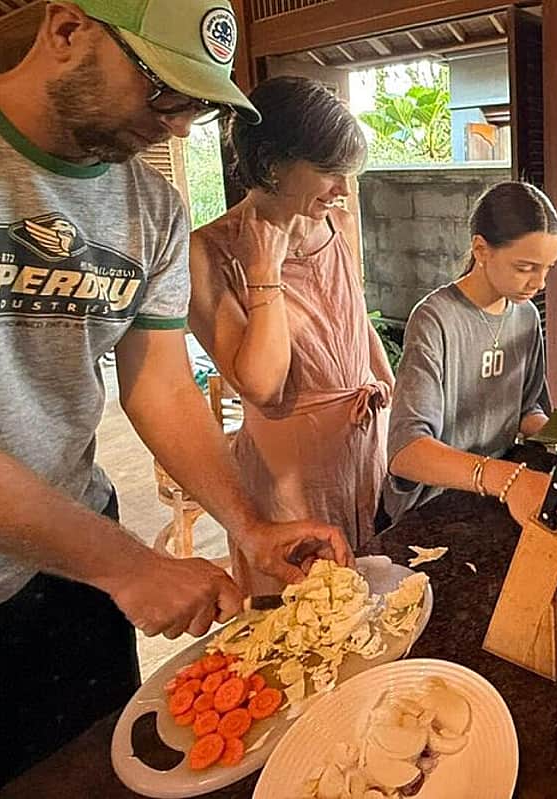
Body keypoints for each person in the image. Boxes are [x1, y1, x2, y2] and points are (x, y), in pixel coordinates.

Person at [0, 2, 349, 794]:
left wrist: (249, 525)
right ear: (66, 30)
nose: (177, 127)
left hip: (71, 565)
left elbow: (162, 384)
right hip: (36, 570)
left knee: (95, 774)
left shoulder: (150, 209)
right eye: (163, 92)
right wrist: (127, 563)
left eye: (197, 107)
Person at [189, 76, 393, 594]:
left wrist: (386, 381)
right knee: (310, 608)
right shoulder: (207, 252)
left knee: (380, 596)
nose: (343, 188)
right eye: (329, 171)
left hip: (364, 448)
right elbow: (263, 385)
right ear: (273, 164)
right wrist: (264, 272)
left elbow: (354, 313)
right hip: (291, 476)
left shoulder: (340, 223)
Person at [386, 182, 557, 526]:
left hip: (492, 495)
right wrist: (505, 479)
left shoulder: (526, 316)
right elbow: (407, 451)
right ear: (481, 250)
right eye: (525, 267)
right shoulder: (436, 319)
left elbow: (526, 410)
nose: (539, 283)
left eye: (548, 268)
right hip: (435, 504)